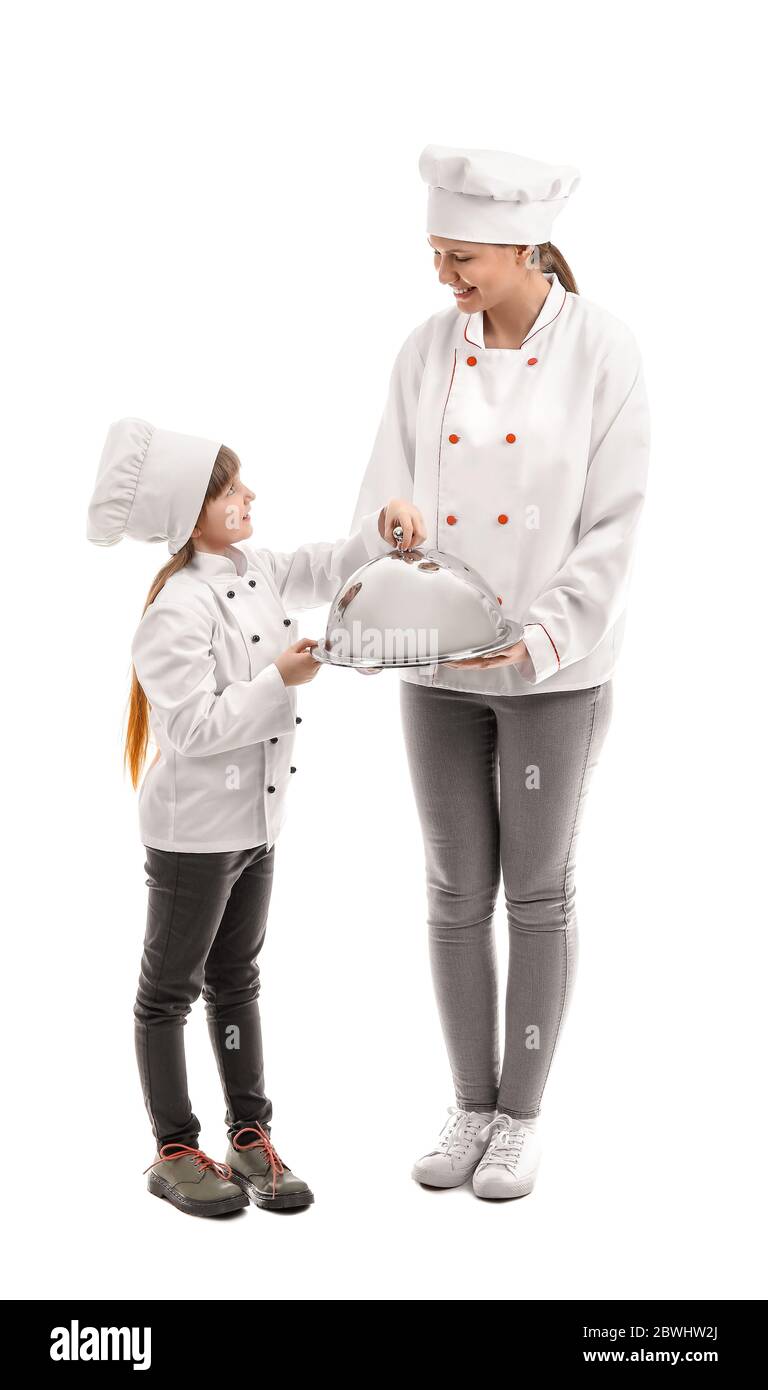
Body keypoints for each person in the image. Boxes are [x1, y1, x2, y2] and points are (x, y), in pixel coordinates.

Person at [350, 144, 651, 1200]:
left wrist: (545, 635)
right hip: (437, 664)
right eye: (435, 251)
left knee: (535, 892)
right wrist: (393, 527)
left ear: (524, 247)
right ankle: (468, 1102)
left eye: (462, 254)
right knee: (449, 889)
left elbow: (613, 526)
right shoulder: (424, 352)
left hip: (550, 671)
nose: (445, 274)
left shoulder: (605, 353)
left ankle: (520, 1116)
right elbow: (388, 487)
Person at [87, 417, 422, 1217]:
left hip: (258, 824)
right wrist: (279, 677)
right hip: (193, 836)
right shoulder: (176, 610)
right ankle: (174, 1150)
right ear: (190, 510)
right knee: (169, 991)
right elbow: (192, 729)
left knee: (236, 982)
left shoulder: (255, 569)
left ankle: (250, 1137)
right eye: (231, 488)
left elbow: (326, 565)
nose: (249, 495)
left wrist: (379, 530)